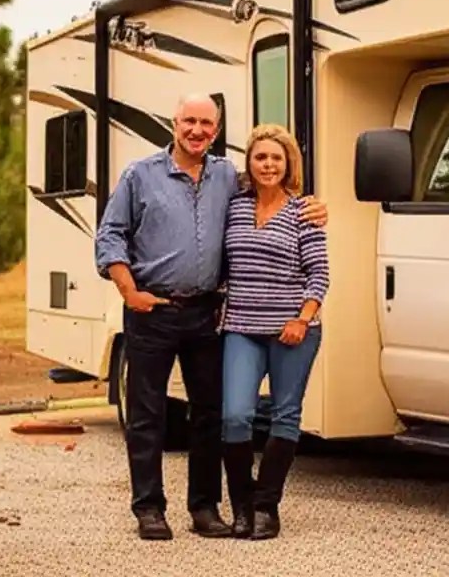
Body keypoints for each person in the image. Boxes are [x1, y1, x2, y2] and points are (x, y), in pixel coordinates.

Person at [94, 93, 328, 541]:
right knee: (147, 414)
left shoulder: (227, 177)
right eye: (189, 121)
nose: (197, 130)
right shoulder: (139, 175)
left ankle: (204, 507)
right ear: (173, 123)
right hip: (153, 311)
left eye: (206, 123)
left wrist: (317, 206)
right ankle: (149, 509)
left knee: (209, 414)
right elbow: (110, 235)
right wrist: (130, 292)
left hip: (206, 314)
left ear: (216, 131)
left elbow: (275, 188)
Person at [219, 124, 329, 540]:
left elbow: (319, 273)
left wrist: (302, 318)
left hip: (293, 330)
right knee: (235, 415)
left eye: (276, 159)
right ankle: (242, 506)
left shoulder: (304, 212)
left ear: (288, 165)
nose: (268, 165)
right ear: (249, 162)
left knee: (286, 414)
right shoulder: (235, 207)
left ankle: (266, 507)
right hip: (242, 327)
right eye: (261, 157)